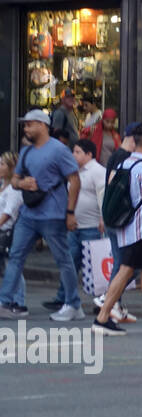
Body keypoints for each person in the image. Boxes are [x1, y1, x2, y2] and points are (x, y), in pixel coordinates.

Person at [0, 110, 83, 319]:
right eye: (25, 125)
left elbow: (75, 180)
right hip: (29, 214)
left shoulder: (59, 150)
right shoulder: (27, 152)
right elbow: (16, 179)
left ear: (42, 125)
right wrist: (22, 183)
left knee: (62, 258)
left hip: (53, 214)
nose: (26, 128)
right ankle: (5, 301)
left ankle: (73, 304)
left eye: (30, 124)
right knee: (16, 256)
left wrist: (70, 212)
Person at [93, 122, 142, 335]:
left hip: (125, 225)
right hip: (140, 228)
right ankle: (103, 317)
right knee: (125, 271)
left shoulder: (125, 163)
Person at [67, 138, 107, 313]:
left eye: (77, 152)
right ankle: (65, 297)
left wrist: (102, 218)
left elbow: (103, 196)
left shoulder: (98, 171)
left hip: (92, 226)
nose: (73, 155)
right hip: (75, 225)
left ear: (89, 154)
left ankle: (100, 301)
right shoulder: (74, 171)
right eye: (73, 151)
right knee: (69, 262)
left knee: (94, 268)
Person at [0, 153, 26, 310]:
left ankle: (19, 300)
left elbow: (8, 213)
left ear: (11, 168)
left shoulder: (14, 190)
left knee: (12, 266)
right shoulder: (2, 185)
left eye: (3, 164)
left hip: (7, 232)